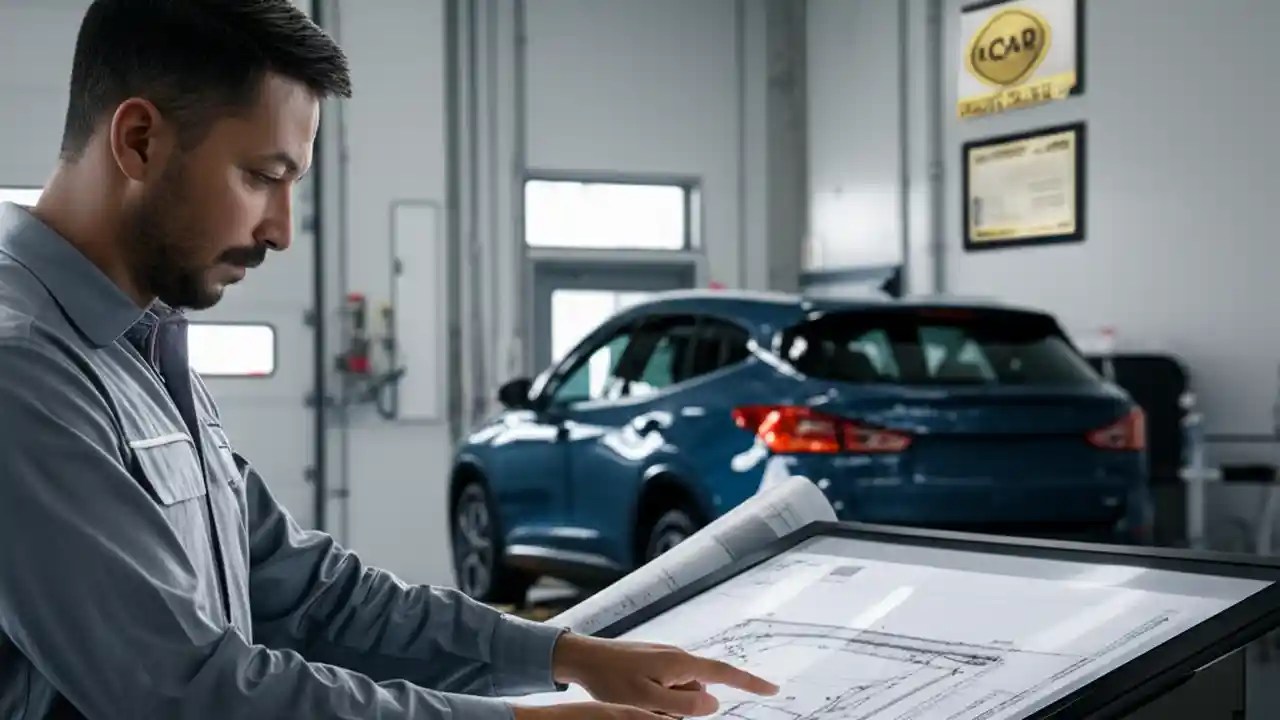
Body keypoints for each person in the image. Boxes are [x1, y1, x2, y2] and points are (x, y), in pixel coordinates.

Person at [0, 2, 779, 718]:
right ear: (139, 140)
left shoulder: (144, 348)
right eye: (263, 177)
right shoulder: (24, 371)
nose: (282, 230)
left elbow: (311, 595)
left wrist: (564, 655)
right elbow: (185, 691)